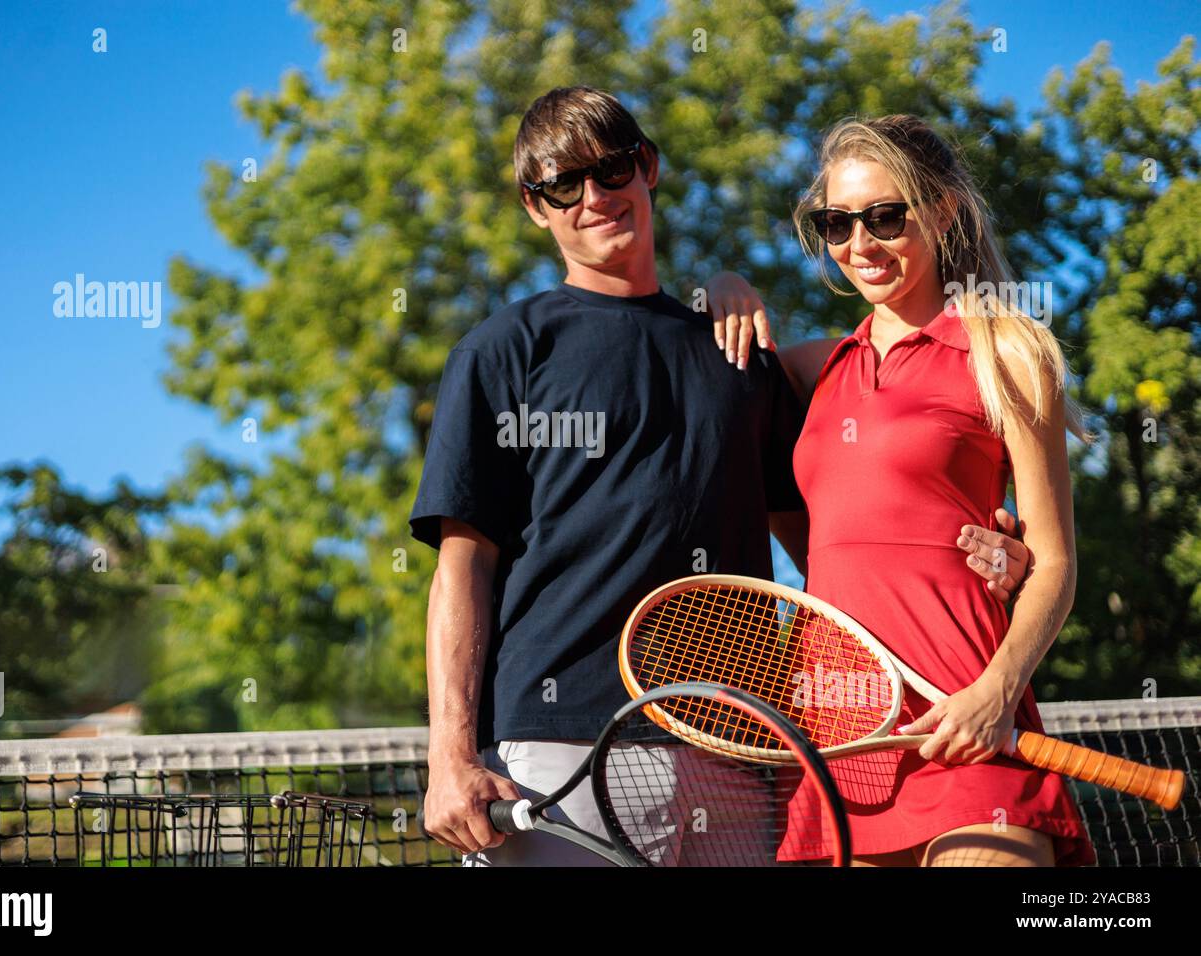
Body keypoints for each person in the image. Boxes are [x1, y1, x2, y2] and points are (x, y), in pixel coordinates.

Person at [410, 88, 1027, 866]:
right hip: (558, 749)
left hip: (740, 749)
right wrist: (448, 757)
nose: (595, 197)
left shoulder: (740, 355)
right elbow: (461, 569)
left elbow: (835, 537)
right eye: (563, 185)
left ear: (649, 168)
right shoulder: (499, 354)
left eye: (612, 169)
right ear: (535, 207)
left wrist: (973, 558)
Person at [705, 114, 1095, 866]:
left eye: (886, 216)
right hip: (837, 731)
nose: (861, 244)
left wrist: (996, 692)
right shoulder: (812, 368)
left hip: (966, 715)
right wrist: (724, 287)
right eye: (836, 223)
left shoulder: (1006, 350)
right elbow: (717, 370)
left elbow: (1052, 561)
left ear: (942, 210)